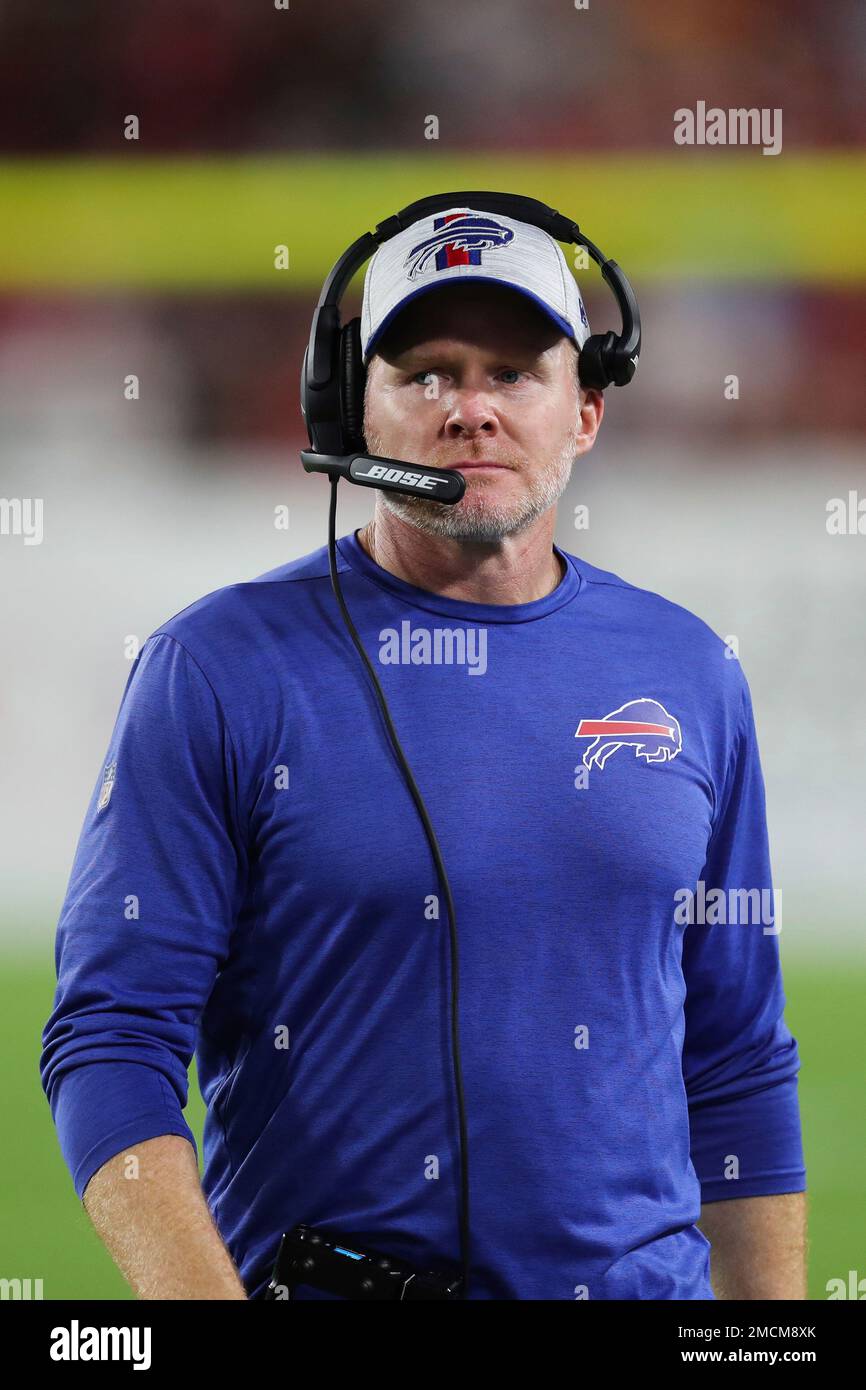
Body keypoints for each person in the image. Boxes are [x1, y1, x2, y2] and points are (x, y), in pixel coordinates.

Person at [40, 204, 807, 1300]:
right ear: (354, 411)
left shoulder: (689, 668)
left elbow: (736, 1056)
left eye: (510, 372)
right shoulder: (215, 669)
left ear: (584, 410)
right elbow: (111, 1041)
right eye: (427, 374)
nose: (471, 411)